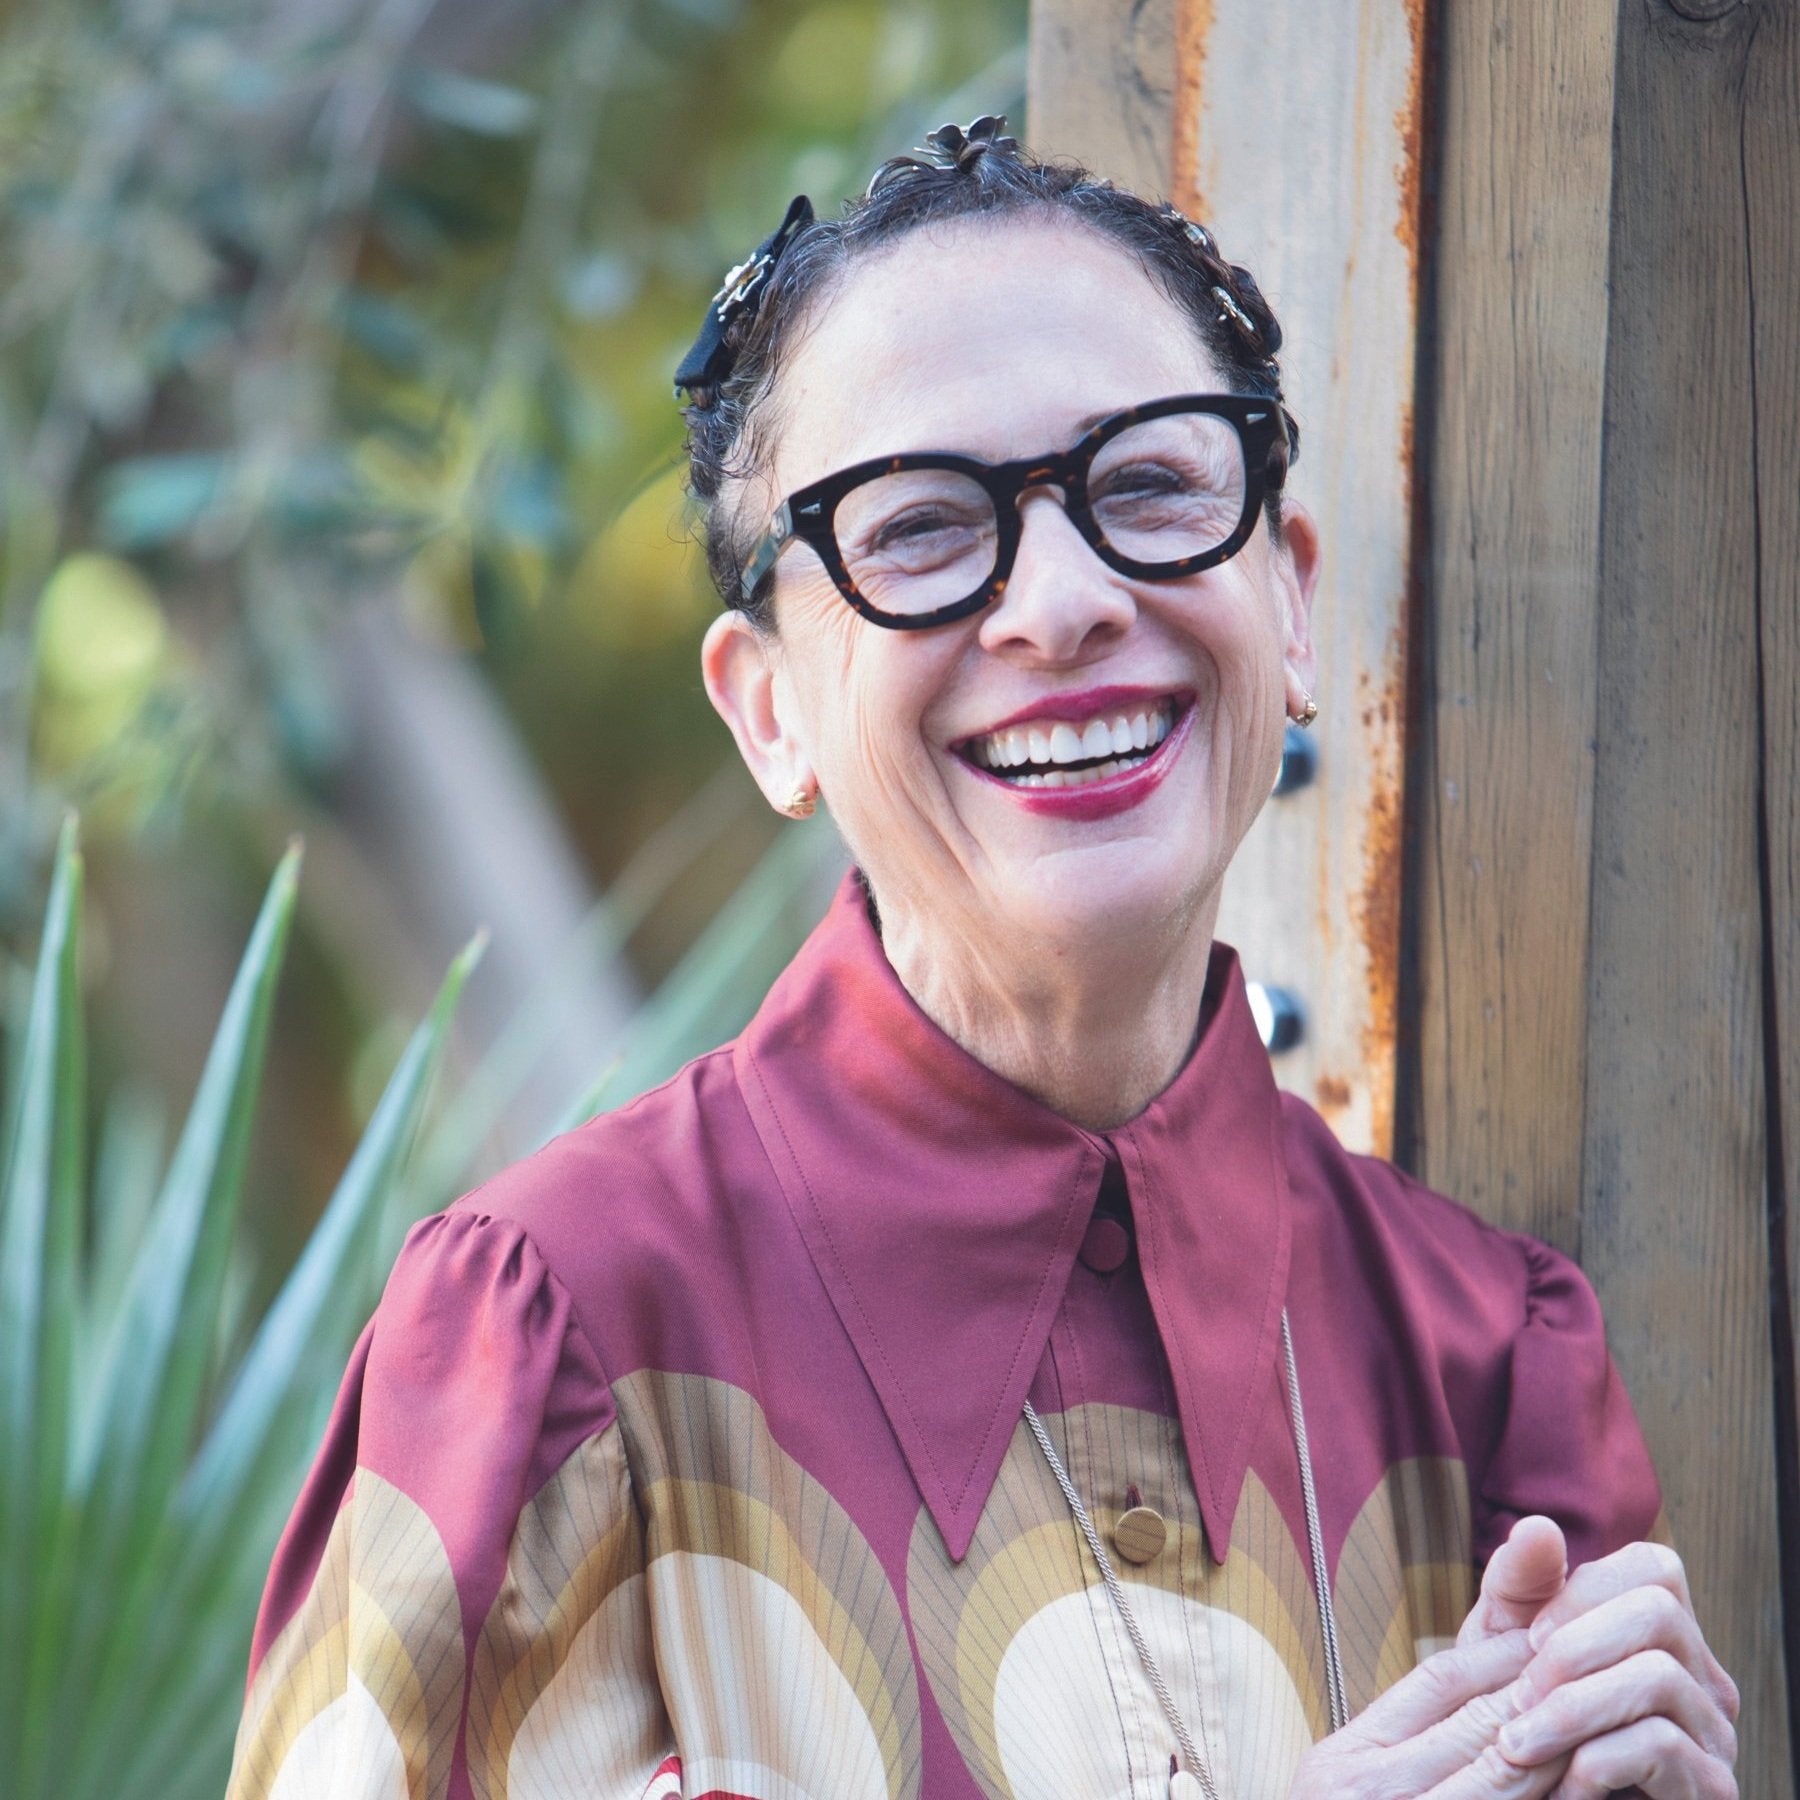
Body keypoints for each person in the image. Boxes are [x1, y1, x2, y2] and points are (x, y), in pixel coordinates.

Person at [225, 119, 1738, 1800]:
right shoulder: (560, 1338)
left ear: (1291, 608)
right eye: (925, 526)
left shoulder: (1491, 1353)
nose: (1065, 600)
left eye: (1153, 482)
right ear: (770, 709)